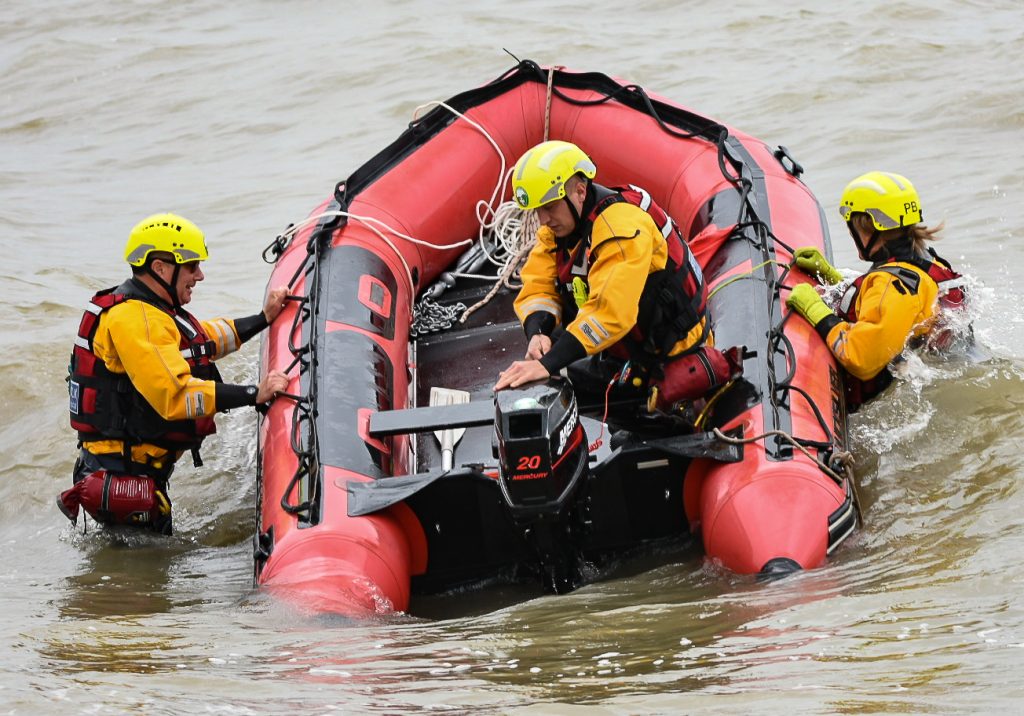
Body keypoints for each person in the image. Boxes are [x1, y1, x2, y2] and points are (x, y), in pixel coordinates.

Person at [58, 213, 290, 533]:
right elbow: (176, 396)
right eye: (192, 265)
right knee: (142, 572)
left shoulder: (150, 310)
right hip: (123, 480)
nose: (200, 275)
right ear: (161, 267)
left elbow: (202, 341)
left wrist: (262, 319)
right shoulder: (135, 319)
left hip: (130, 472)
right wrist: (254, 393)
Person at [494, 140, 740, 408]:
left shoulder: (620, 229)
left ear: (579, 191)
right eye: (537, 210)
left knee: (554, 375)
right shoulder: (561, 231)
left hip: (667, 352)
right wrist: (537, 332)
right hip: (625, 347)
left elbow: (610, 314)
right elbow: (538, 285)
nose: (543, 219)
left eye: (550, 207)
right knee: (550, 369)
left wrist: (546, 364)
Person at [786, 170, 968, 411]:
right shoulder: (930, 263)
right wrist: (830, 276)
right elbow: (893, 311)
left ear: (868, 227)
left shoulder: (890, 284)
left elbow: (861, 357)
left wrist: (814, 310)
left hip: (906, 401)